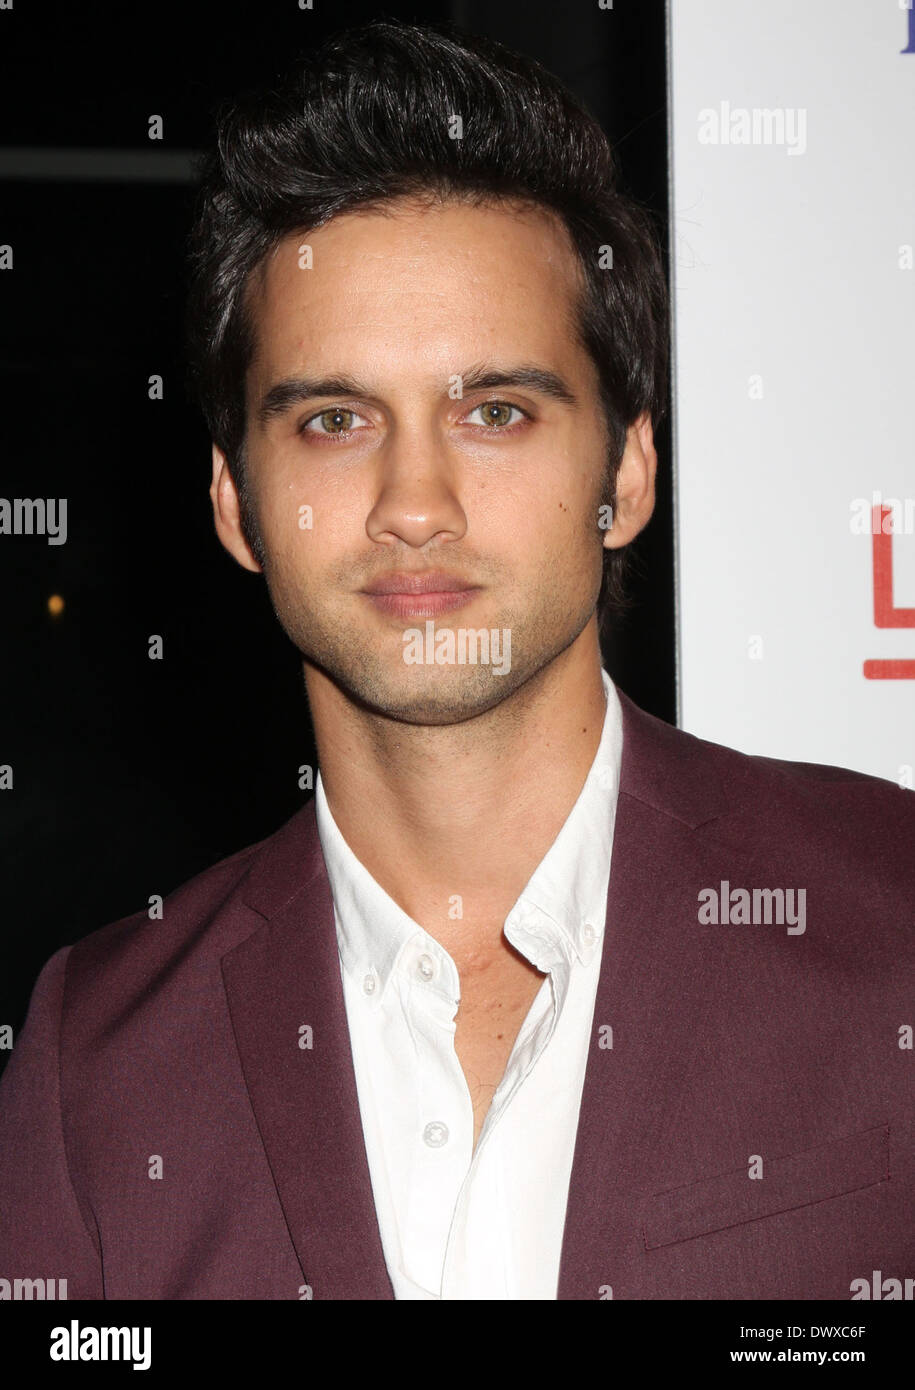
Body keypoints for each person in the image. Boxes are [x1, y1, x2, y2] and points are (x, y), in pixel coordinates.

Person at [1, 17, 912, 1302]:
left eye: (494, 412)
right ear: (233, 501)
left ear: (630, 470)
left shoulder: (892, 917)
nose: (413, 501)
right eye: (332, 418)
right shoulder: (93, 1060)